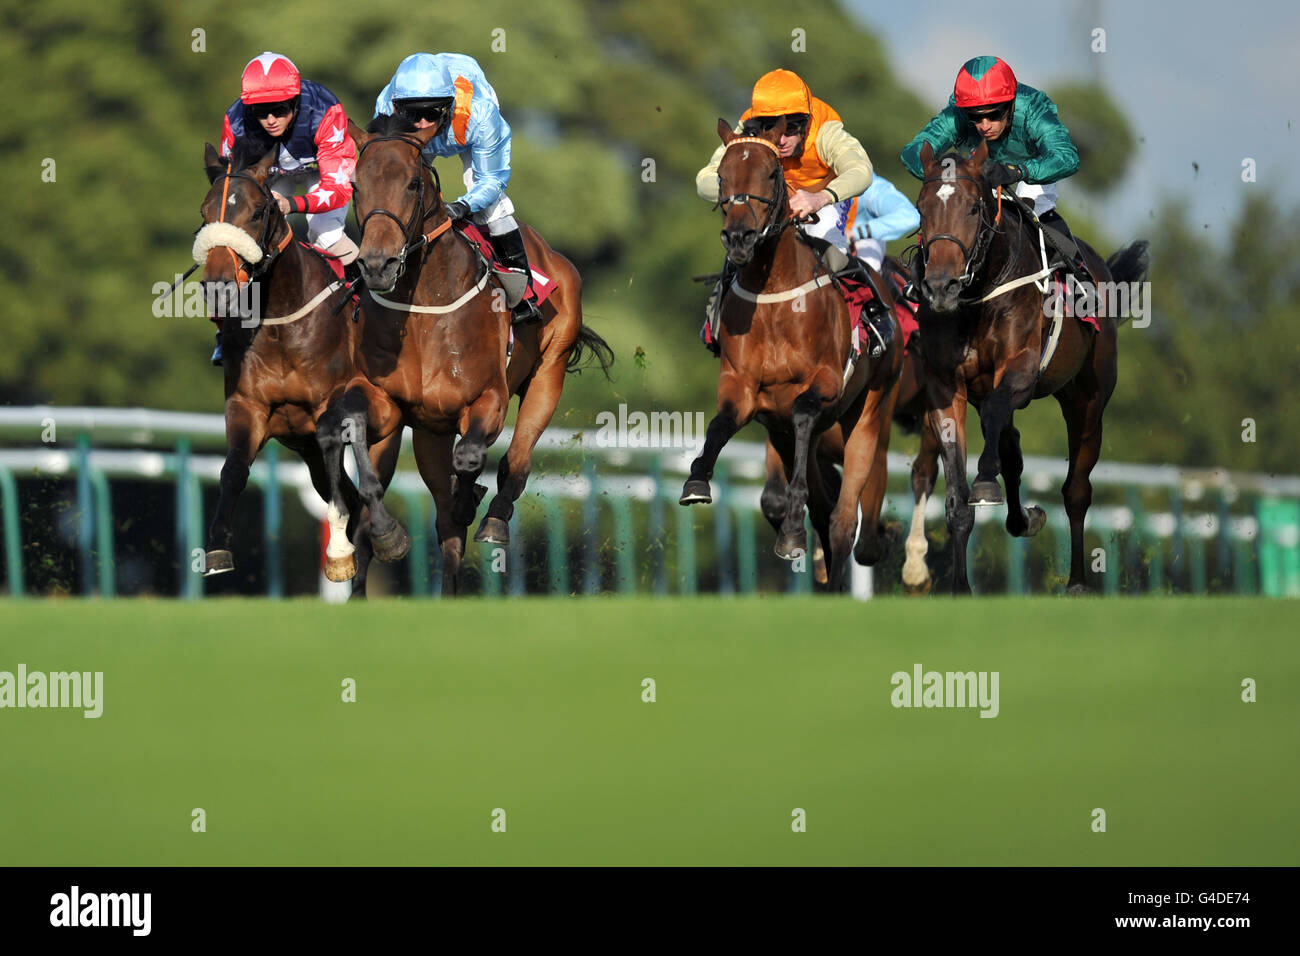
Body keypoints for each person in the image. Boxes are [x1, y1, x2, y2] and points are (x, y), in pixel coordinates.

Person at [696, 69, 893, 357]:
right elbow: (704, 180)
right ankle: (715, 322)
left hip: (821, 201)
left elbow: (861, 172)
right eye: (772, 126)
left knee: (825, 244)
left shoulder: (826, 131)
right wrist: (742, 191)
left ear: (808, 120)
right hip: (768, 206)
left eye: (794, 126)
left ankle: (874, 317)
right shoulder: (745, 132)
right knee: (738, 249)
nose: (783, 138)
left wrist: (819, 198)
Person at [211, 52, 358, 364]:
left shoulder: (325, 110)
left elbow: (339, 189)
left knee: (325, 234)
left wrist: (292, 204)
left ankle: (367, 309)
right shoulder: (235, 122)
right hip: (271, 171)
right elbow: (230, 188)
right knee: (246, 236)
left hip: (323, 170)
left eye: (278, 109)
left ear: (296, 101)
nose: (270, 120)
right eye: (260, 112)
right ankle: (227, 329)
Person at [374, 52, 540, 325]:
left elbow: (492, 180)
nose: (424, 124)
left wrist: (461, 207)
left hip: (469, 123)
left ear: (448, 106)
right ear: (397, 108)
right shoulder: (385, 110)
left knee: (491, 208)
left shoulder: (481, 114)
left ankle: (522, 291)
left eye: (432, 113)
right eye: (414, 114)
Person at [900, 55, 1091, 284]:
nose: (984, 125)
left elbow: (1066, 157)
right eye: (975, 117)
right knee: (948, 209)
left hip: (1031, 171)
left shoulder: (1033, 109)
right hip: (978, 173)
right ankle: (920, 282)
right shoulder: (957, 115)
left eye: (994, 114)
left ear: (1010, 104)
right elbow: (913, 151)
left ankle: (1080, 280)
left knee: (1034, 209)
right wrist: (944, 178)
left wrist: (1018, 170)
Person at [848, 174, 920, 273]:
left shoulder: (868, 185)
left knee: (868, 264)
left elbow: (910, 217)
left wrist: (855, 234)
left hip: (860, 244)